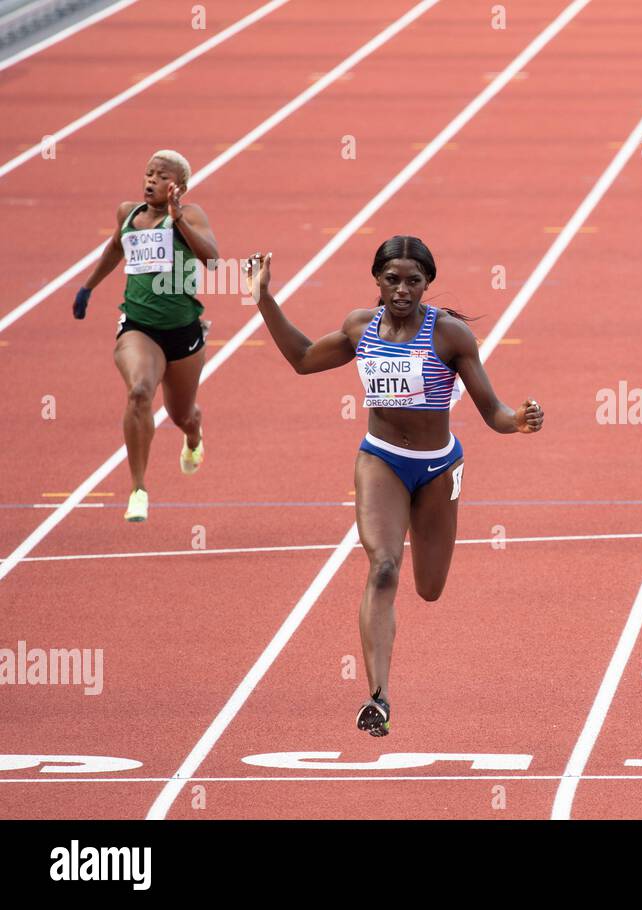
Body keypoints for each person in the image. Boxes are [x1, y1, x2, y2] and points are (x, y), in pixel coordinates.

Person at [244, 236, 544, 734]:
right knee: (383, 568)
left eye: (413, 281)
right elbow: (301, 358)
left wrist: (520, 421)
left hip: (437, 469)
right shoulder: (360, 327)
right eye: (392, 280)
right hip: (381, 460)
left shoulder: (449, 336)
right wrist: (263, 298)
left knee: (429, 589)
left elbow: (492, 411)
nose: (402, 290)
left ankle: (386, 675)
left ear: (428, 284)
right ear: (376, 281)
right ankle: (378, 698)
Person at [74, 149, 217, 521]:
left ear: (179, 187)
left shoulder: (191, 215)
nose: (151, 180)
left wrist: (179, 219)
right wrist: (87, 288)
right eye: (148, 173)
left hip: (183, 331)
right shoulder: (128, 213)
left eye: (161, 175)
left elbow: (214, 260)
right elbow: (114, 248)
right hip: (138, 327)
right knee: (139, 392)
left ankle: (193, 435)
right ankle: (138, 489)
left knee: (181, 413)